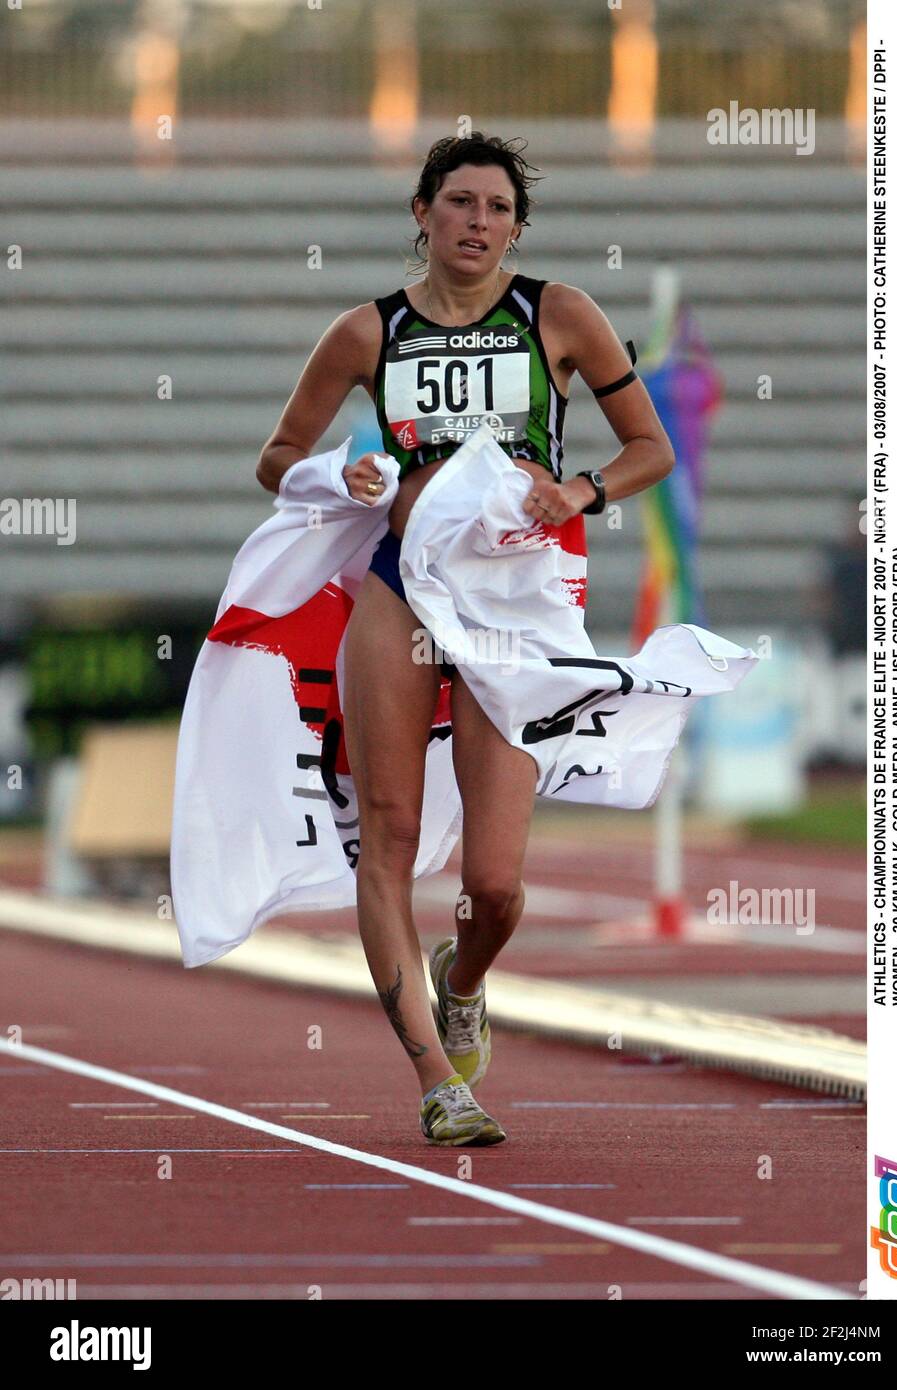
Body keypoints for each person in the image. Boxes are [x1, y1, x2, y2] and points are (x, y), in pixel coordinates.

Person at [256, 133, 674, 1146]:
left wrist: (576, 490)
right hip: (400, 590)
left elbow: (648, 448)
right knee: (387, 841)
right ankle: (438, 1081)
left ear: (516, 229)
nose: (478, 221)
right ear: (421, 213)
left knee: (495, 883)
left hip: (515, 608)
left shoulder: (559, 315)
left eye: (496, 208)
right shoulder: (365, 334)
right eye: (459, 202)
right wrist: (340, 480)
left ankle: (466, 976)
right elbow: (276, 457)